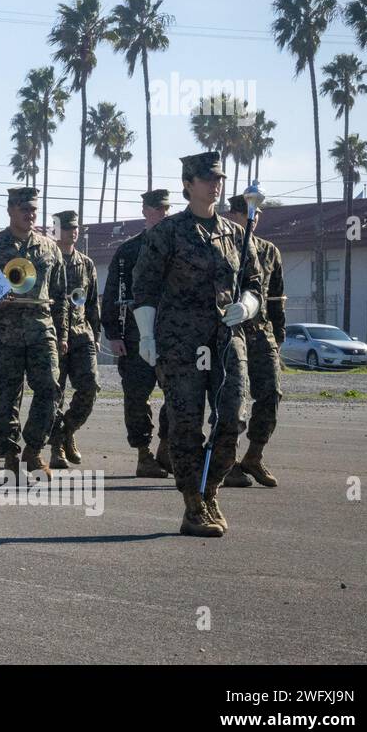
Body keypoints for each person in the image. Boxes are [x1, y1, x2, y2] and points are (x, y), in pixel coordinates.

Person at [131, 151, 261, 537]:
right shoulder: (166, 233)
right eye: (207, 179)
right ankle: (193, 503)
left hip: (225, 340)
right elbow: (145, 287)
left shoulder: (237, 233)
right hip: (180, 343)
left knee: (232, 418)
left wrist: (247, 306)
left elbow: (255, 282)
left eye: (219, 178)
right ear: (188, 184)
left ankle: (211, 489)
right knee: (186, 424)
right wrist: (148, 336)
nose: (216, 185)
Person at [0, 187, 67, 477]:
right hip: (3, 333)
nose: (30, 214)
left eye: (33, 209)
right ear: (10, 210)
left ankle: (33, 450)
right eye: (24, 209)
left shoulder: (49, 248)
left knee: (50, 388)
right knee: (4, 397)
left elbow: (59, 295)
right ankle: (11, 454)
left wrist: (63, 334)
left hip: (40, 330)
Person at [101, 189, 174, 477]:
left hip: (172, 334)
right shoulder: (129, 250)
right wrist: (113, 333)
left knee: (178, 395)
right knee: (136, 397)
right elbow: (111, 295)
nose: (163, 213)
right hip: (134, 335)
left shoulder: (178, 245)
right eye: (158, 208)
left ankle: (166, 447)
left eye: (167, 208)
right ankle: (144, 454)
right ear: (145, 211)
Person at [223, 193, 285, 489]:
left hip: (262, 334)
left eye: (256, 212)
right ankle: (228, 462)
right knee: (233, 401)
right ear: (232, 215)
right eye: (247, 212)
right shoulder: (223, 245)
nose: (253, 217)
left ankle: (254, 455)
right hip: (231, 334)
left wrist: (279, 336)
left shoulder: (269, 251)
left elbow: (275, 299)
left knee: (271, 394)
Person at [48, 210, 100, 470]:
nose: (73, 232)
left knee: (90, 388)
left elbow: (92, 304)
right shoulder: (48, 259)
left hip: (81, 335)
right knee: (54, 393)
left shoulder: (86, 263)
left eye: (75, 227)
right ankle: (56, 446)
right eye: (67, 227)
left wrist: (97, 335)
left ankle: (67, 430)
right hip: (52, 335)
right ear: (57, 230)